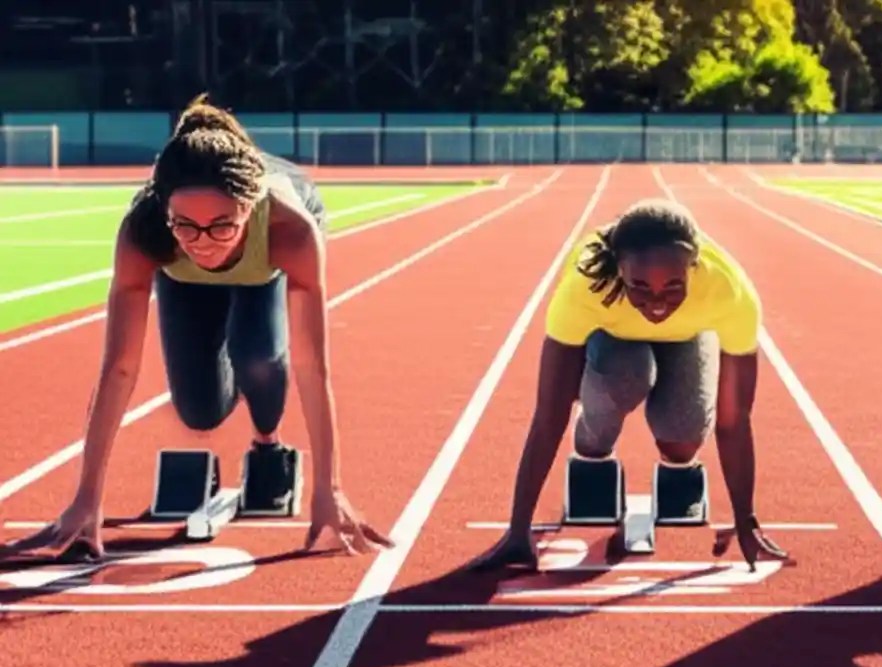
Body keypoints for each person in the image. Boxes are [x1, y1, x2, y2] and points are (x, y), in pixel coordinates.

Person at [3, 94, 392, 559]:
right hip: (183, 280)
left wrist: (329, 490)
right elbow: (119, 369)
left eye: (221, 226)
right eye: (185, 225)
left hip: (260, 268)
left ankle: (267, 440)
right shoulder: (146, 231)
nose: (203, 243)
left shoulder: (290, 230)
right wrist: (86, 499)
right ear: (165, 211)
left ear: (249, 208)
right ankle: (231, 343)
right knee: (198, 412)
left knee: (260, 358)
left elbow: (313, 366)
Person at [468, 198, 788, 571]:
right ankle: (592, 441)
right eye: (639, 286)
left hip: (686, 337)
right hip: (614, 339)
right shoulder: (584, 287)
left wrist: (745, 519)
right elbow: (549, 413)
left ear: (694, 267)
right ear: (618, 269)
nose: (656, 302)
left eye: (673, 286)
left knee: (683, 437)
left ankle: (675, 457)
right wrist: (518, 530)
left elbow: (734, 420)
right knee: (627, 374)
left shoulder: (730, 293)